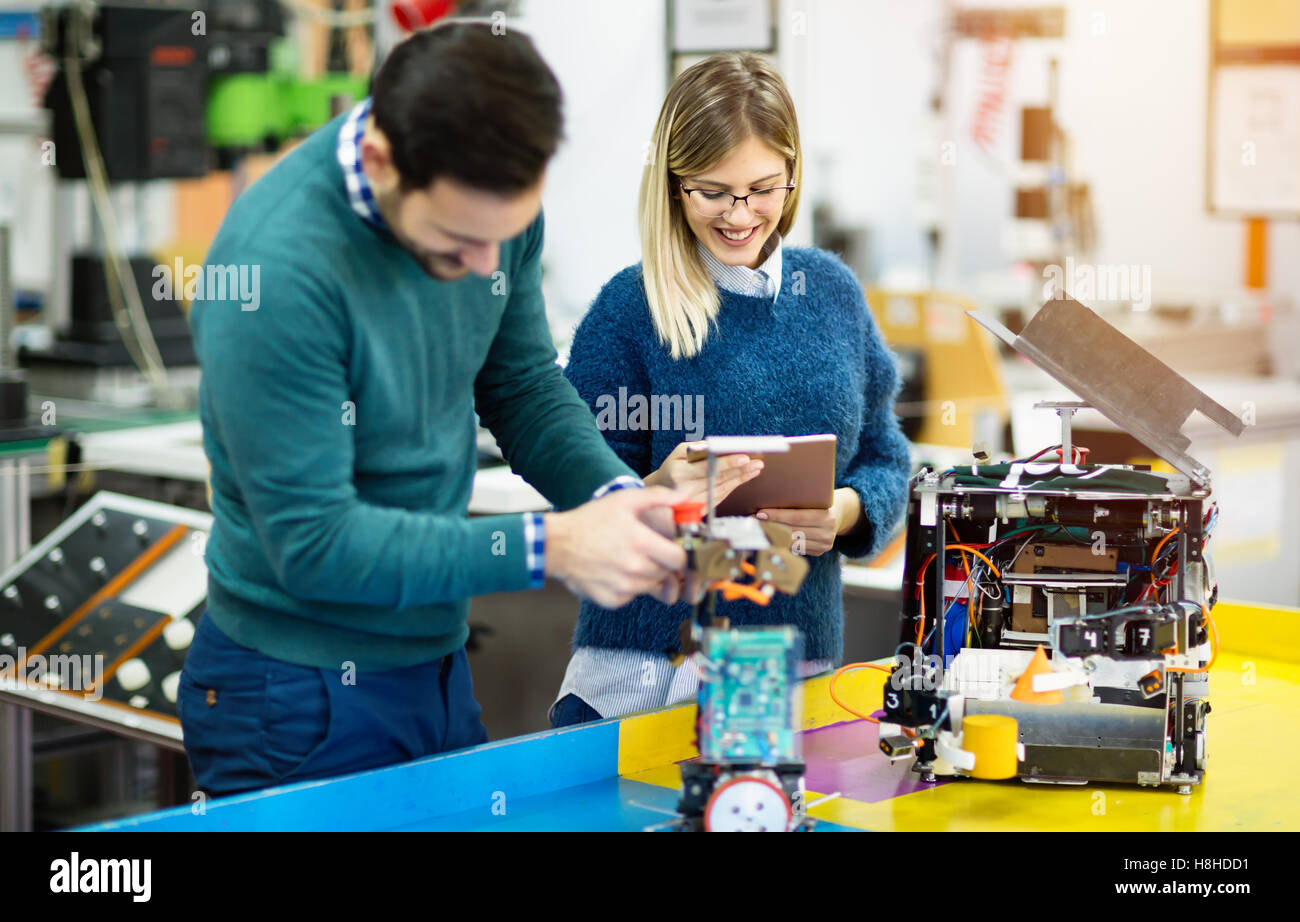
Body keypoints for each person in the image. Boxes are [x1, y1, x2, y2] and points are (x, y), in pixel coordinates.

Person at [182, 23, 688, 796]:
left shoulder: (490, 201)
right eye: (458, 244)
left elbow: (518, 383)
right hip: (292, 691)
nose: (485, 267)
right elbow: (315, 543)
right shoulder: (275, 271)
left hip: (436, 662)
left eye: (507, 236)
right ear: (383, 162)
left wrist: (619, 501)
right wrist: (549, 547)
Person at [550, 52, 912, 727]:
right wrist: (650, 494)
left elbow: (887, 455)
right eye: (713, 191)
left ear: (793, 175)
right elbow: (574, 480)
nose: (741, 214)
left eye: (764, 188)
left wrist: (846, 510)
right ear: (673, 185)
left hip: (789, 674)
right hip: (643, 676)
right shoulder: (631, 308)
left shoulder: (831, 293)